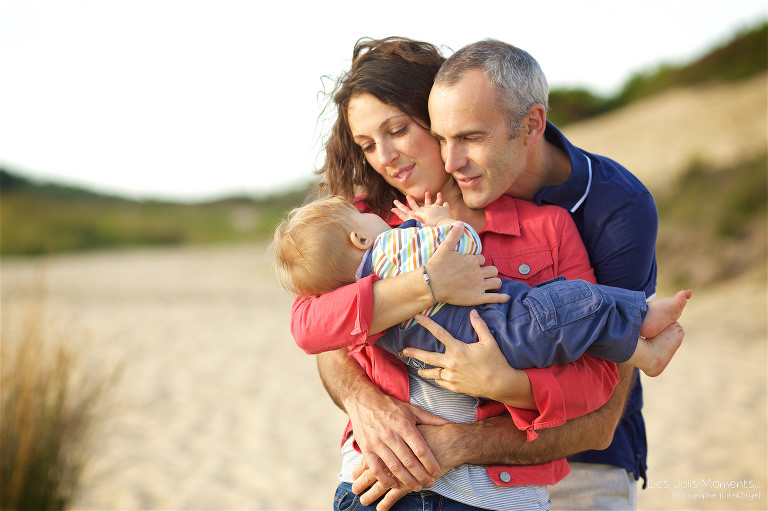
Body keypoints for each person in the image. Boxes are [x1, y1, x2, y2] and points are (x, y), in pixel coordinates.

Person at [294, 37, 685, 511]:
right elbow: (317, 328)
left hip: (556, 467)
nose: (385, 156)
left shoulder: (581, 217)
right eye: (367, 144)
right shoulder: (372, 223)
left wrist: (491, 400)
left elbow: (600, 402)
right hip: (386, 481)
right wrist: (365, 401)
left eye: (398, 130)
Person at [275, 195, 690, 378]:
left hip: (478, 346)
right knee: (573, 299)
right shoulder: (390, 246)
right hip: (500, 326)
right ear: (360, 240)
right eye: (360, 216)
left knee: (576, 319)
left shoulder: (360, 294)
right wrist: (438, 222)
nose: (371, 214)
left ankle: (644, 336)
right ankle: (643, 323)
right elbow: (465, 245)